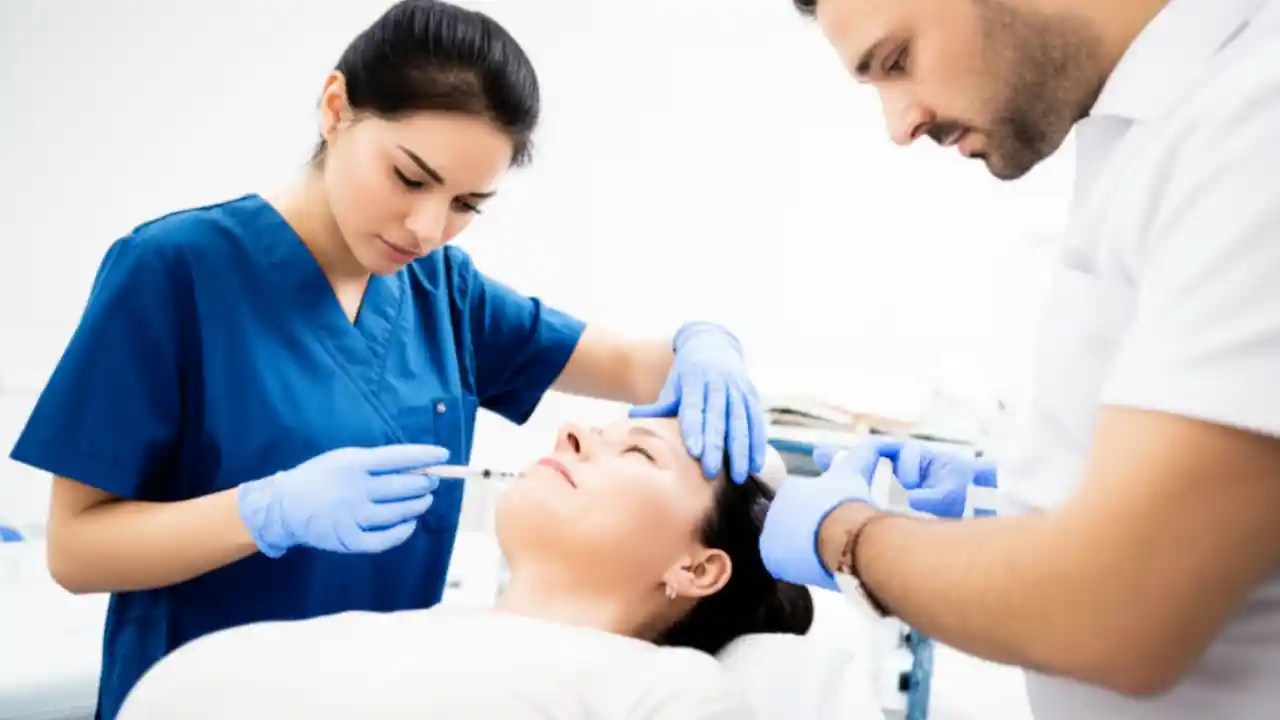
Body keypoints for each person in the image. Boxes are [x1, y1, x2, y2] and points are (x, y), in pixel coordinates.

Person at [8, 2, 769, 717]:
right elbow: (76, 551)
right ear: (335, 107)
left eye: (467, 205)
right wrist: (263, 512)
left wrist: (707, 343)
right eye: (409, 178)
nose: (427, 228)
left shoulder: (443, 293)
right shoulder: (174, 272)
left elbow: (641, 367)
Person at [761, 0, 1280, 718]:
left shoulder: (1255, 124)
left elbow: (1120, 609)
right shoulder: (1144, 127)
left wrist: (848, 538)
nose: (899, 125)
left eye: (898, 60)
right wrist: (1013, 497)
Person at [115, 417, 811, 718]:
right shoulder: (373, 637)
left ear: (698, 569)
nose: (570, 432)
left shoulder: (662, 689)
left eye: (637, 452)